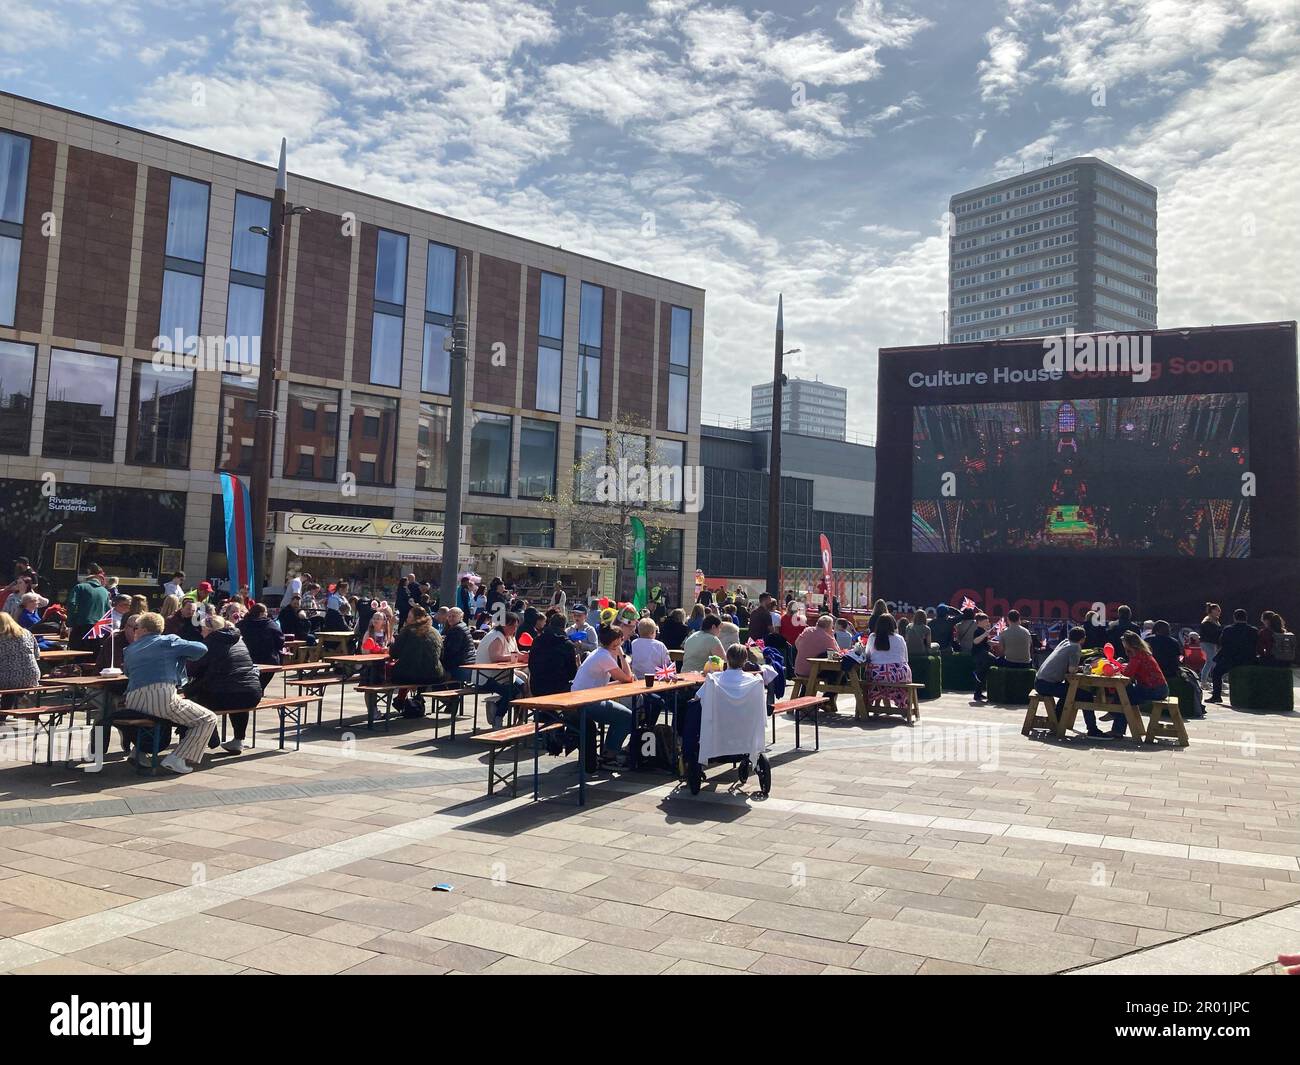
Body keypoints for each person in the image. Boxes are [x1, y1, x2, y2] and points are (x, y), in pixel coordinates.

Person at [113, 612, 214, 775]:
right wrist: (181, 654)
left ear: (144, 629)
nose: (135, 631)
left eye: (137, 627)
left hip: (133, 699)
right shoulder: (168, 641)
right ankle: (177, 758)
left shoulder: (129, 649)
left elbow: (128, 672)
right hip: (161, 695)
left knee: (159, 717)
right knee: (207, 719)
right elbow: (201, 649)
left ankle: (139, 752)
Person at [184, 614, 264, 753]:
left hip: (226, 695)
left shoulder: (212, 642)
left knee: (192, 700)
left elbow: (194, 669)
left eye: (202, 629)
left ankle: (210, 738)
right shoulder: (238, 640)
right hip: (253, 694)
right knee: (237, 690)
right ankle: (238, 740)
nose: (201, 632)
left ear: (210, 630)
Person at [569, 624, 636, 767]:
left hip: (583, 696)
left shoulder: (599, 652)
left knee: (621, 713)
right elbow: (628, 678)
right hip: (586, 701)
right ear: (616, 642)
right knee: (627, 716)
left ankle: (608, 751)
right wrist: (622, 655)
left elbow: (602, 685)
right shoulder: (605, 656)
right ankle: (609, 755)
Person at [1086, 632, 1168, 739]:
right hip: (1158, 688)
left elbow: (1127, 674)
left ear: (1129, 644)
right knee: (1124, 694)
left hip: (1155, 690)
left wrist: (1117, 670)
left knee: (1124, 698)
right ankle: (1115, 722)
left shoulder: (1137, 656)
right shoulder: (1142, 653)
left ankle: (1115, 723)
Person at [387, 606, 447, 717]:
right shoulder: (435, 632)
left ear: (416, 618)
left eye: (410, 617)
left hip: (408, 675)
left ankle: (400, 702)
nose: (407, 619)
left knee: (390, 673)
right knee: (424, 668)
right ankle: (414, 700)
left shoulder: (408, 630)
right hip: (435, 675)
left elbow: (394, 653)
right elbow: (441, 655)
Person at [474, 611, 526, 727]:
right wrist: (518, 657)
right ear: (503, 625)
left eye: (516, 626)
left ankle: (498, 706)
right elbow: (495, 657)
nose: (515, 629)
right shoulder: (496, 637)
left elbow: (515, 653)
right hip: (486, 677)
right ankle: (498, 717)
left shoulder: (510, 637)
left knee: (522, 687)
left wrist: (523, 655)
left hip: (504, 675)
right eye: (512, 626)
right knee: (510, 692)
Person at [1209, 608, 1259, 703]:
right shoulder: (1253, 630)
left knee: (1216, 673)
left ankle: (1216, 696)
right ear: (1246, 618)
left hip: (1231, 659)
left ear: (1234, 618)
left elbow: (1222, 643)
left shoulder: (1228, 629)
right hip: (1248, 659)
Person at [863, 614, 912, 710]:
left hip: (877, 674)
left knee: (873, 677)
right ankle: (903, 705)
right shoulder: (899, 638)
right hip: (897, 674)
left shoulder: (872, 637)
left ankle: (874, 703)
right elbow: (905, 659)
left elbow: (867, 656)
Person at [0, 611, 41, 719]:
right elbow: (37, 654)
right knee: (13, 682)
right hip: (31, 675)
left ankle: (2, 716)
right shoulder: (27, 633)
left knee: (10, 681)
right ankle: (21, 696)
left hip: (8, 678)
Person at [528, 611, 579, 696]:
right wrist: (578, 665)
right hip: (559, 689)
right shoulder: (567, 645)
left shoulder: (537, 640)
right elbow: (572, 674)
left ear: (550, 623)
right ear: (564, 627)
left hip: (536, 688)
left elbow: (530, 665)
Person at [237, 602, 285, 689]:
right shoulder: (269, 624)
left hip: (247, 659)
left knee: (251, 683)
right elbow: (280, 640)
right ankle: (259, 691)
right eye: (266, 612)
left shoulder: (242, 624)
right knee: (260, 683)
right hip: (269, 659)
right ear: (261, 613)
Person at [67, 565, 110, 653]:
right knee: (94, 654)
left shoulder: (80, 587)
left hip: (81, 625)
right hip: (98, 627)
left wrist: (71, 622)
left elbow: (72, 604)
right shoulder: (105, 591)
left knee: (77, 653)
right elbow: (108, 611)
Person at [793, 614, 839, 681]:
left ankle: (806, 690)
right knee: (836, 673)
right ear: (828, 626)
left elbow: (796, 643)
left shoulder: (807, 631)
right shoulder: (827, 638)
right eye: (832, 626)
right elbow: (837, 653)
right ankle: (830, 691)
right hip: (813, 672)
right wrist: (832, 636)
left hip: (799, 670)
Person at [439, 607, 475, 684]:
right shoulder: (463, 626)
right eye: (449, 616)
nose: (451, 618)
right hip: (468, 665)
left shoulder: (457, 629)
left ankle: (436, 695)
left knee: (436, 676)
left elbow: (451, 651)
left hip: (460, 668)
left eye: (454, 616)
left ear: (461, 616)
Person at [969, 612, 994, 701]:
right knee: (992, 660)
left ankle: (978, 694)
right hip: (979, 655)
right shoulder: (978, 631)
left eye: (988, 621)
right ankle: (977, 693)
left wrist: (994, 643)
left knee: (981, 676)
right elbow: (975, 641)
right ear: (979, 622)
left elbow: (985, 643)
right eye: (985, 621)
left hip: (983, 655)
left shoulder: (983, 631)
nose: (987, 623)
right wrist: (985, 635)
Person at [1198, 603, 1222, 687]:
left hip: (1212, 644)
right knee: (1210, 661)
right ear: (1212, 611)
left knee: (1213, 662)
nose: (1219, 612)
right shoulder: (1208, 620)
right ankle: (1203, 681)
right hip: (1207, 643)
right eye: (1217, 610)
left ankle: (1211, 680)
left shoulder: (1215, 620)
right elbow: (1211, 633)